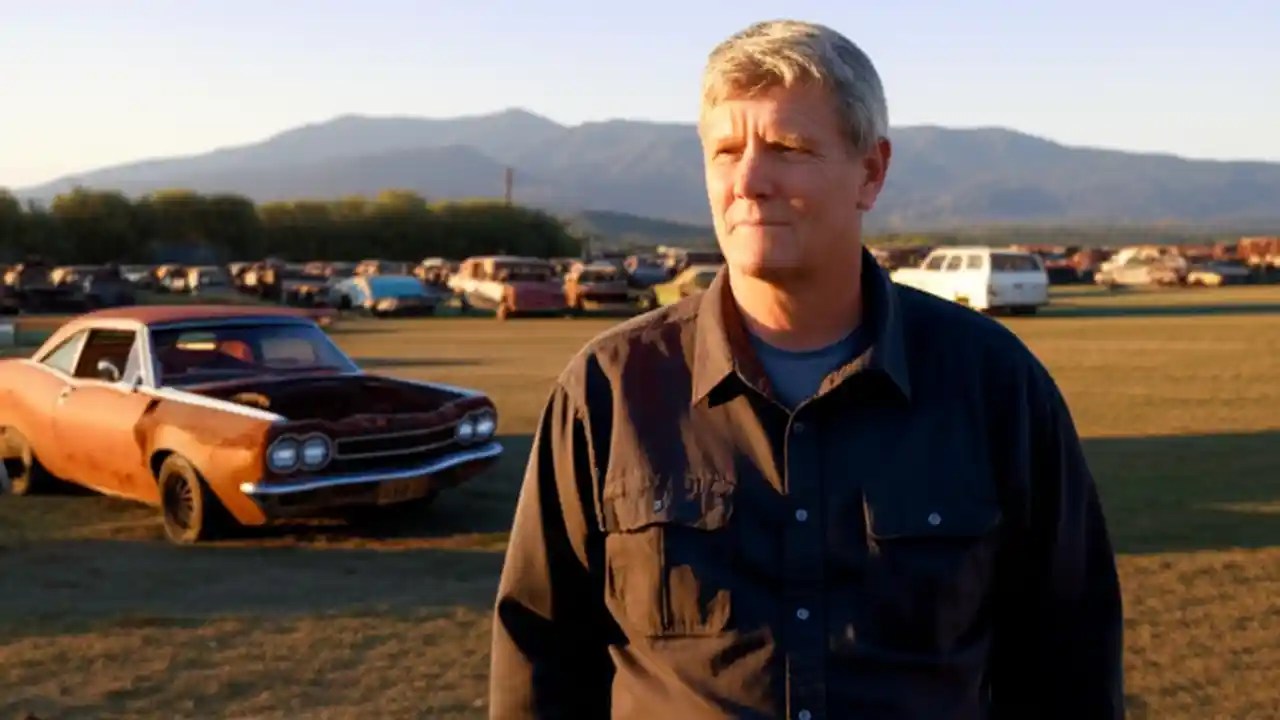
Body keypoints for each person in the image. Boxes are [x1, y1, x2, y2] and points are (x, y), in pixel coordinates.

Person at [489, 18, 1125, 720]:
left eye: (788, 149)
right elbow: (540, 656)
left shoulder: (994, 384)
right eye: (726, 151)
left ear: (871, 172)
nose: (749, 181)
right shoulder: (610, 389)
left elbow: (1067, 658)